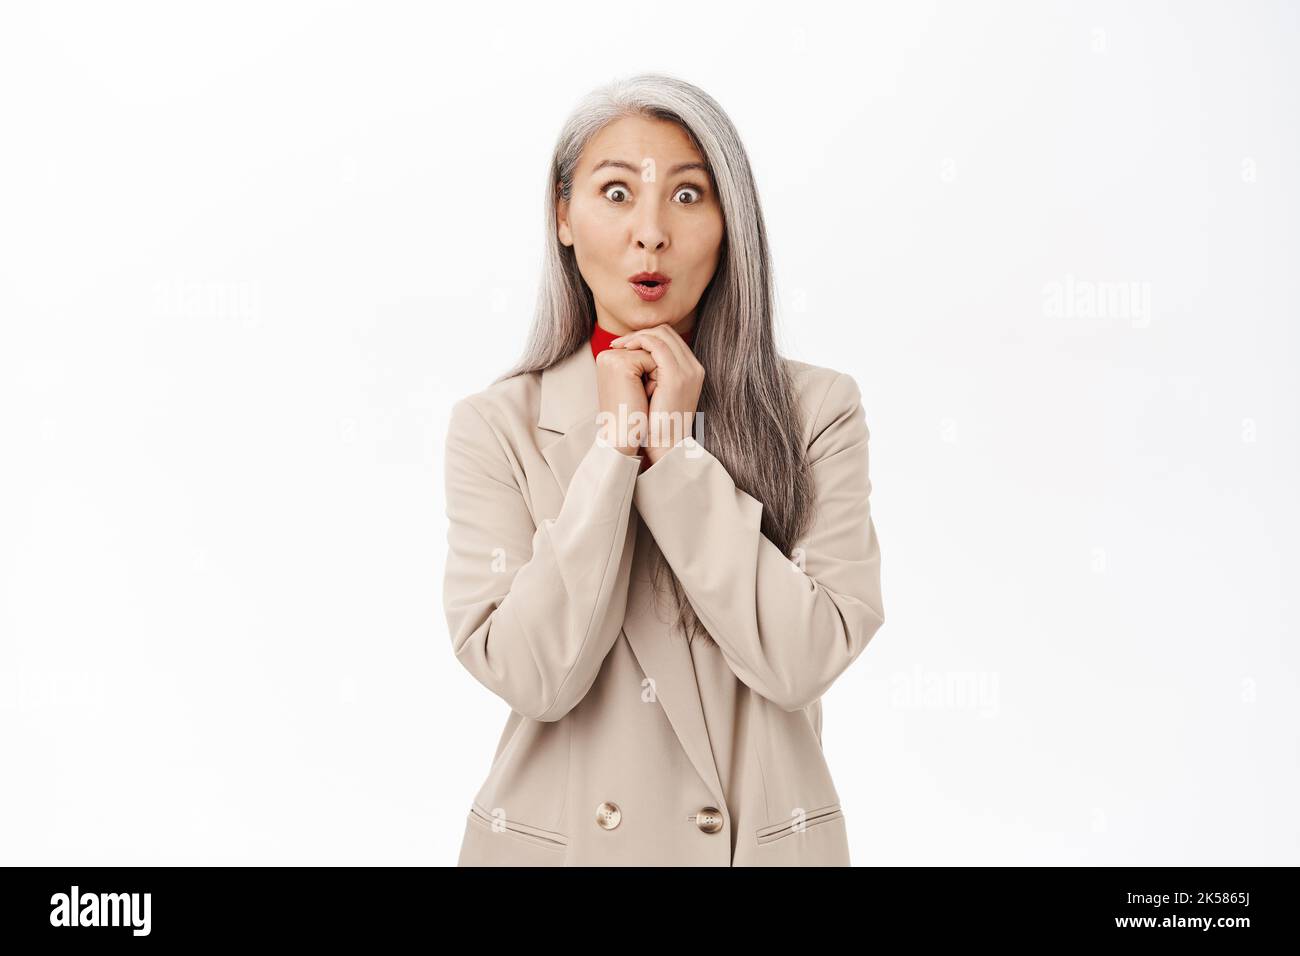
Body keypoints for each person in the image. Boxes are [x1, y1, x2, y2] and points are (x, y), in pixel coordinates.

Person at [442, 72, 885, 866]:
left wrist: (677, 456)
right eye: (616, 193)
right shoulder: (496, 425)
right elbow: (531, 674)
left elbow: (807, 657)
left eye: (688, 196)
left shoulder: (818, 409)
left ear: (731, 223)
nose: (651, 234)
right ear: (563, 215)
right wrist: (615, 451)